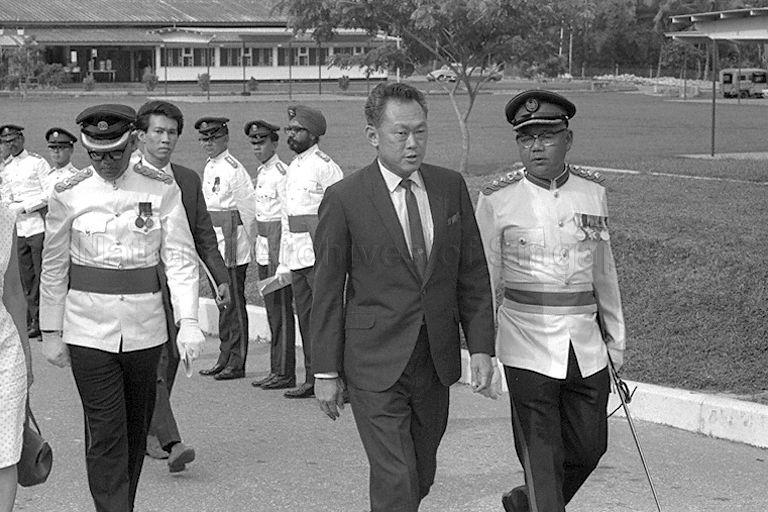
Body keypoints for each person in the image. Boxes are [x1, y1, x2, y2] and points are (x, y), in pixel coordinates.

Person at [310, 82, 495, 512]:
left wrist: (482, 346)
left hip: (435, 358)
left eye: (421, 132)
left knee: (420, 471)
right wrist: (324, 371)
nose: (413, 144)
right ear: (373, 135)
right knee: (397, 476)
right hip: (373, 362)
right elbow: (326, 289)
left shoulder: (450, 187)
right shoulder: (345, 197)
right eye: (400, 133)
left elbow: (472, 273)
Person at [39, 104, 205, 512]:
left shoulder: (160, 188)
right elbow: (55, 264)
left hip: (145, 329)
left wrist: (188, 322)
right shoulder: (68, 191)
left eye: (114, 153)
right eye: (96, 154)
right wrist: (51, 331)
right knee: (105, 431)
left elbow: (181, 259)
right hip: (87, 328)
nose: (106, 163)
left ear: (131, 142)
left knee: (133, 432)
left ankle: (120, 505)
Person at [474, 90, 626, 512]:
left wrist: (616, 337)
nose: (536, 146)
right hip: (526, 342)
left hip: (585, 344)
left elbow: (603, 270)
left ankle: (526, 504)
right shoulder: (497, 198)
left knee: (589, 448)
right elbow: (483, 278)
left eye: (546, 136)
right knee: (541, 457)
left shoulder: (591, 193)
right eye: (526, 138)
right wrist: (482, 348)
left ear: (568, 139)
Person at [135, 100, 230, 472]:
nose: (165, 139)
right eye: (158, 131)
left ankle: (148, 430)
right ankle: (171, 440)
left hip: (180, 284)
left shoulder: (187, 180)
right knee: (155, 362)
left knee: (172, 359)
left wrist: (220, 278)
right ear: (140, 135)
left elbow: (204, 235)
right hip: (141, 283)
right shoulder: (126, 177)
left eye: (172, 132)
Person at [278, 104, 343, 399]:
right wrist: (283, 259)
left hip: (320, 256)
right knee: (305, 317)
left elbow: (340, 212)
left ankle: (340, 378)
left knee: (328, 318)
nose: (290, 135)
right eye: (289, 129)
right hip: (297, 254)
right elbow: (286, 217)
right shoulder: (292, 167)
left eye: (297, 130)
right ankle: (311, 377)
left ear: (313, 133)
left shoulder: (325, 166)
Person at [194, 116, 256, 381]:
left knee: (234, 302)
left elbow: (249, 210)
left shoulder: (233, 169)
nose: (208, 144)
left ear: (225, 139)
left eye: (213, 138)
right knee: (222, 302)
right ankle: (224, 354)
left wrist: (249, 244)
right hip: (215, 242)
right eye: (204, 139)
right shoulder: (210, 167)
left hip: (232, 242)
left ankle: (237, 360)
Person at [244, 120, 297, 391]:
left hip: (278, 247)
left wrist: (284, 259)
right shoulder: (263, 172)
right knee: (271, 312)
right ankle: (276, 368)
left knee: (281, 312)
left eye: (262, 142)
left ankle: (285, 372)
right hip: (265, 246)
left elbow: (286, 217)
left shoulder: (280, 173)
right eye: (253, 143)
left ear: (274, 144)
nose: (257, 147)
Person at [0, 125, 49, 340]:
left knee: (42, 276)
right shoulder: (7, 168)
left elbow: (48, 194)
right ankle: (32, 319)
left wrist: (24, 206)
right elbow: (6, 195)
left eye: (14, 139)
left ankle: (44, 322)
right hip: (19, 229)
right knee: (26, 277)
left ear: (22, 138)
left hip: (37, 225)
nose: (11, 144)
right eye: (6, 141)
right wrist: (12, 207)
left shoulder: (37, 163)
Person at [0, 204, 33, 512]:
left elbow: (12, 292)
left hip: (4, 351)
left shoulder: (4, 216)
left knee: (5, 449)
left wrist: (25, 354)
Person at [42, 128, 79, 197]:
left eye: (61, 147)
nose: (56, 151)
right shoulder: (48, 175)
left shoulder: (76, 177)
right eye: (52, 147)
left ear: (71, 150)